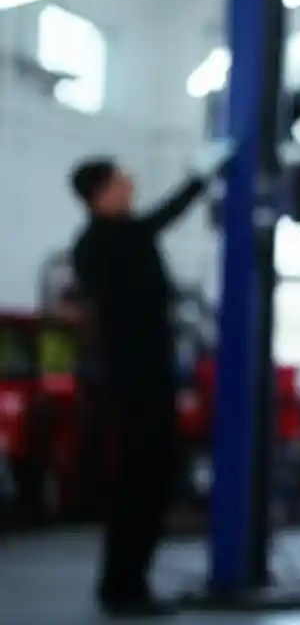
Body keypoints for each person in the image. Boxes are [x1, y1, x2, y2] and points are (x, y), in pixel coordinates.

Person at [69, 144, 229, 616]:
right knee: (143, 481)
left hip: (145, 375)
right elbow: (160, 220)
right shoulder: (107, 240)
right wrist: (199, 180)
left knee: (149, 480)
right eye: (121, 181)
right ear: (100, 193)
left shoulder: (117, 236)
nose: (131, 185)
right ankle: (124, 588)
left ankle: (126, 584)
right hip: (135, 380)